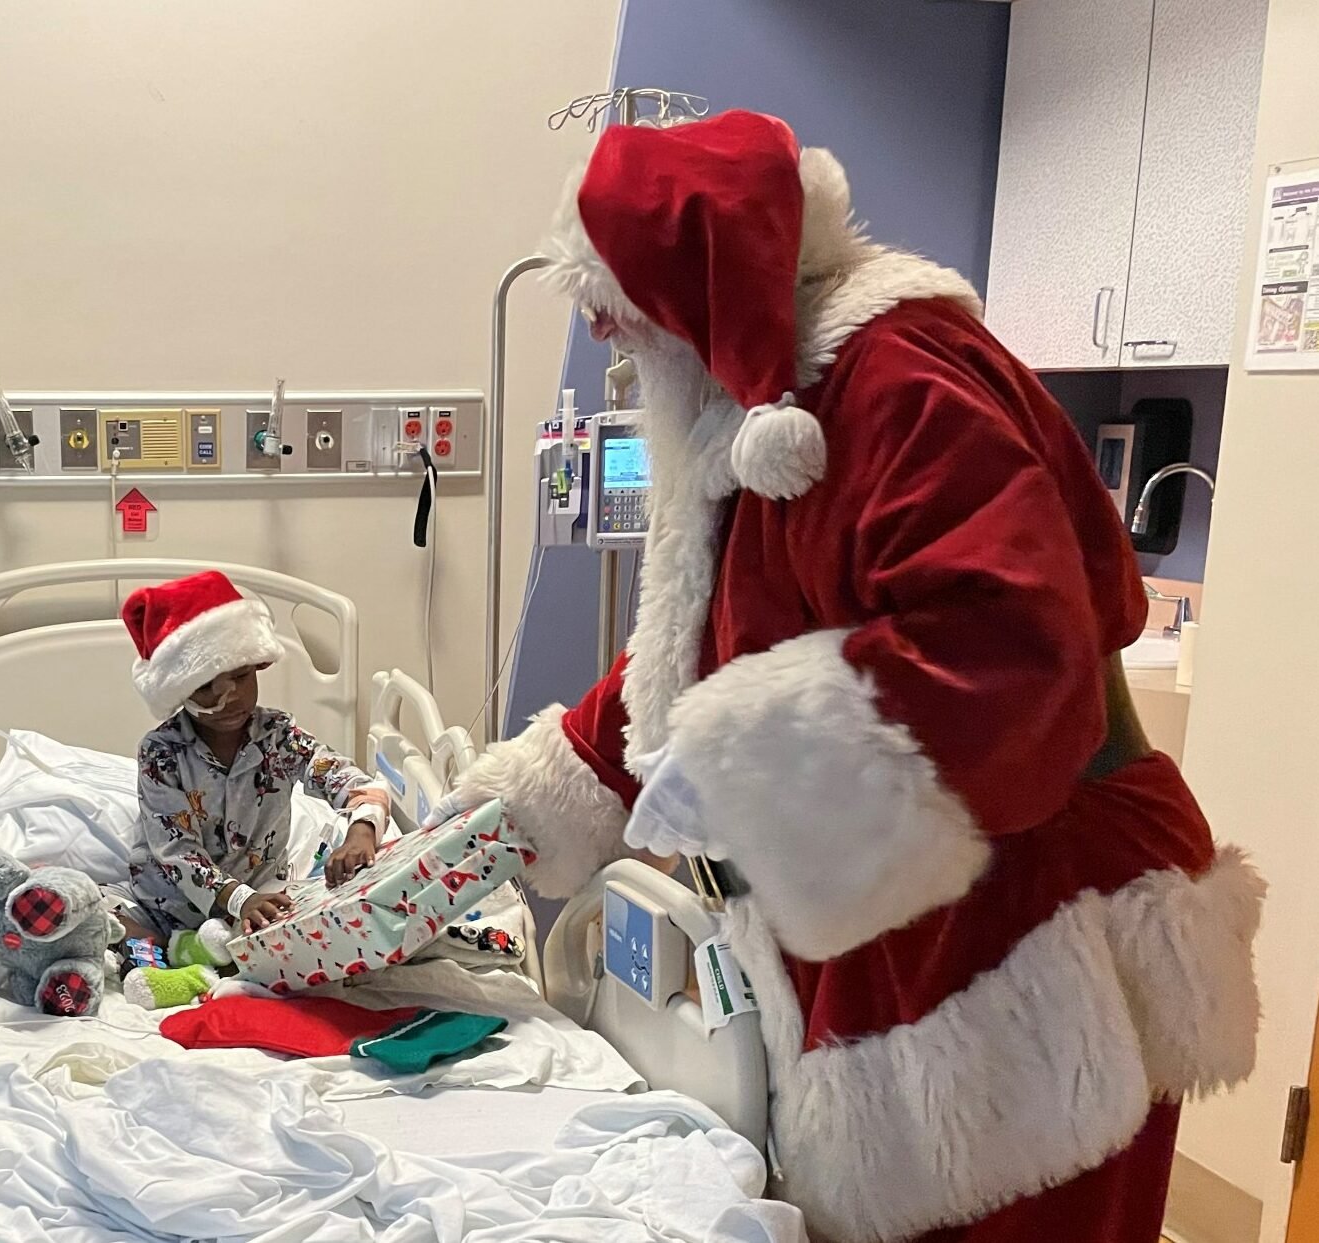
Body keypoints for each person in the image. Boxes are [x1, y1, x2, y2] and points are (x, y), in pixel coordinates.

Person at [433, 112, 1264, 1243]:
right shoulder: (761, 403)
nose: (597, 332)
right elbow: (701, 641)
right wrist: (500, 813)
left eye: (616, 306)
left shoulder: (897, 378)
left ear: (695, 288)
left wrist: (738, 762)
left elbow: (1012, 651)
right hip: (924, 920)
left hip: (1041, 925)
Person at [112, 571, 390, 942]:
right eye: (207, 687)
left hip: (261, 899)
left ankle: (212, 954)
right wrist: (238, 899)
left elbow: (344, 778)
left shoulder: (279, 737)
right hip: (170, 907)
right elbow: (176, 850)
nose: (231, 699)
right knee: (98, 919)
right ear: (179, 689)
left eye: (241, 677)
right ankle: (170, 949)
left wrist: (362, 830)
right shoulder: (162, 754)